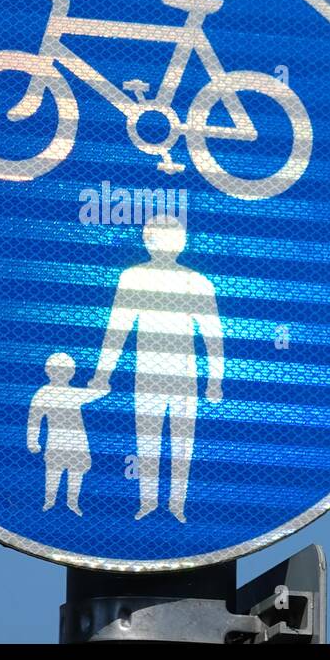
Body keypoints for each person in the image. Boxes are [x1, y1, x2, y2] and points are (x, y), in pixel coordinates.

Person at [88, 217, 223, 523]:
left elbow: (212, 334)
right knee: (147, 439)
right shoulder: (133, 278)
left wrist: (215, 379)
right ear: (149, 241)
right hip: (146, 373)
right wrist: (102, 373)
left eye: (176, 237)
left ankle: (177, 505)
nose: (171, 243)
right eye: (162, 237)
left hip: (185, 376)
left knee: (182, 442)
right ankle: (148, 502)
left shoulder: (198, 282)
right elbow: (117, 328)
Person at [27, 352, 107, 516]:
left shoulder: (73, 393)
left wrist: (102, 387)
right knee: (53, 473)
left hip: (77, 443)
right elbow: (34, 419)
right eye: (57, 370)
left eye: (66, 370)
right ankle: (49, 503)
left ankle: (73, 503)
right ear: (49, 371)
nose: (62, 374)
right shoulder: (44, 393)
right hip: (55, 444)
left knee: (76, 473)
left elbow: (94, 394)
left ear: (71, 372)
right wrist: (33, 441)